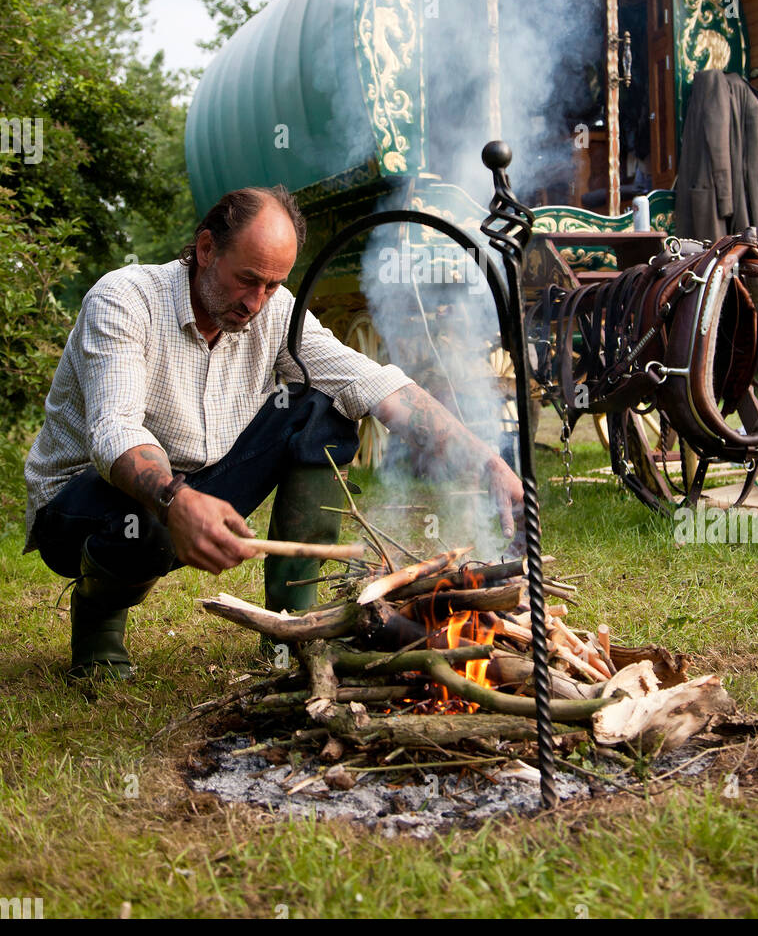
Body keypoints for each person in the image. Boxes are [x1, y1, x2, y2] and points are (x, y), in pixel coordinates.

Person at [24, 185, 524, 680]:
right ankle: (98, 618)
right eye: (247, 280)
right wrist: (177, 500)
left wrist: (486, 463)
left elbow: (373, 385)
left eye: (272, 285)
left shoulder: (274, 310)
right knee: (152, 509)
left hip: (199, 486)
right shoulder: (125, 300)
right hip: (80, 507)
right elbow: (114, 430)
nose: (256, 302)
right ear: (205, 249)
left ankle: (292, 629)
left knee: (320, 409)